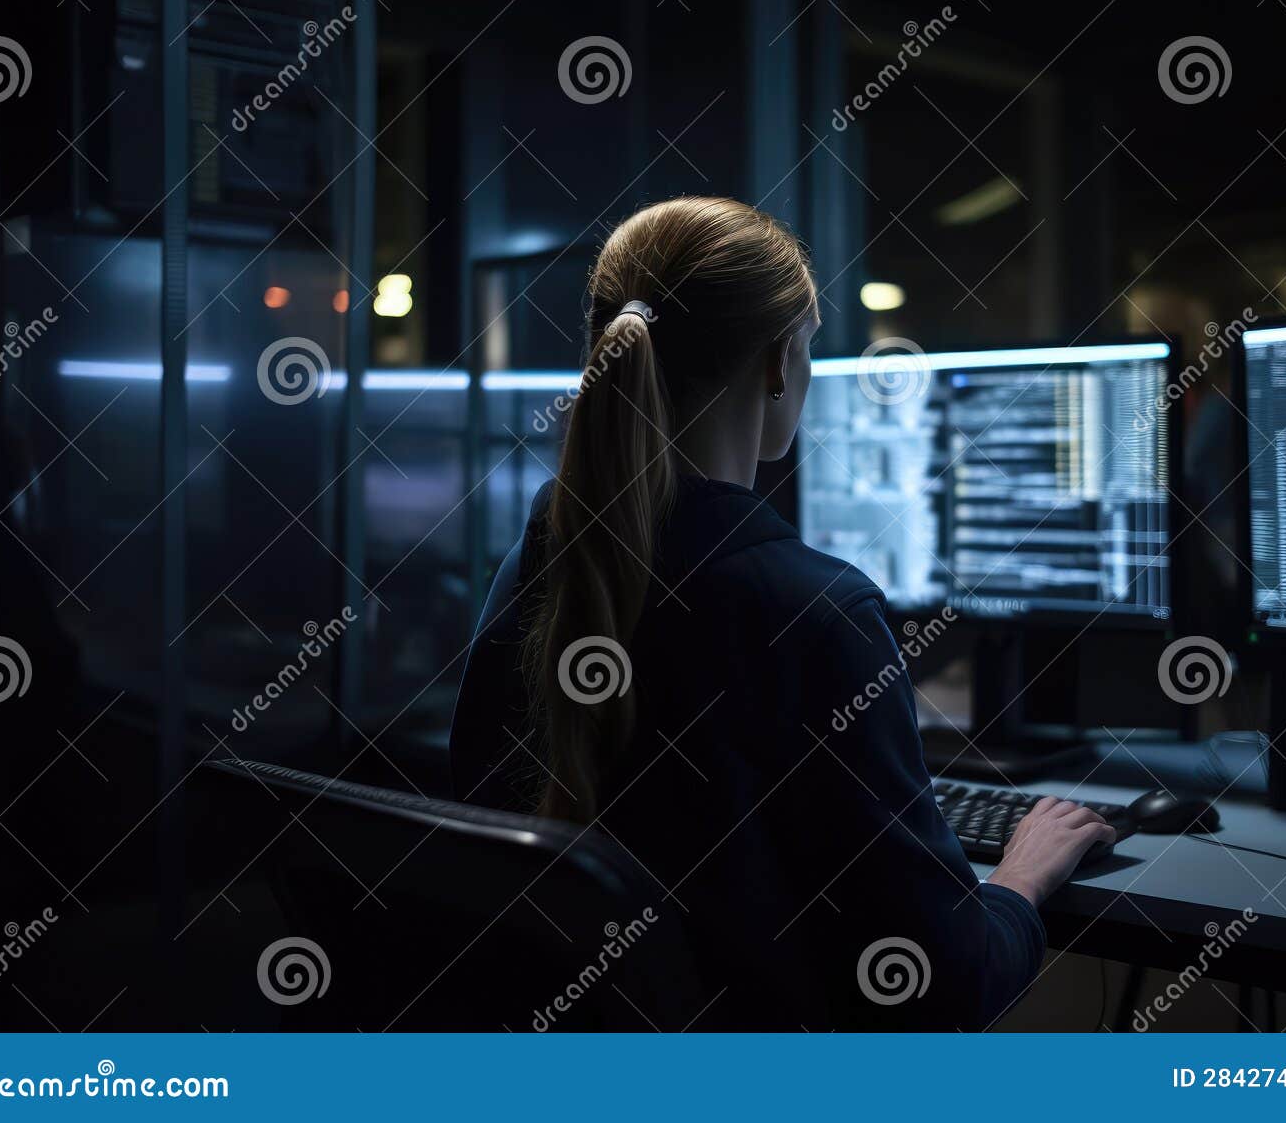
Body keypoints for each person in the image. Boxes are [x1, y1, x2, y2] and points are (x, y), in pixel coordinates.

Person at [449, 195, 1114, 1029]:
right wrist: (1022, 877)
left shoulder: (534, 566)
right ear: (776, 366)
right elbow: (944, 986)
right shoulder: (816, 613)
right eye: (806, 347)